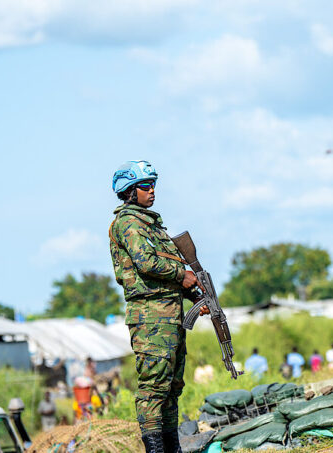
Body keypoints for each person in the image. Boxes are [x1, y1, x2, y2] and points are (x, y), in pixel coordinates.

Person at [109, 160, 209, 453]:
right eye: (144, 185)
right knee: (153, 389)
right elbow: (146, 262)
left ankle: (172, 449)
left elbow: (170, 268)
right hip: (150, 317)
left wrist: (194, 297)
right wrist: (183, 275)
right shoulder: (128, 223)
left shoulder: (150, 222)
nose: (151, 190)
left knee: (172, 388)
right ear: (129, 192)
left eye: (153, 184)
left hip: (170, 313)